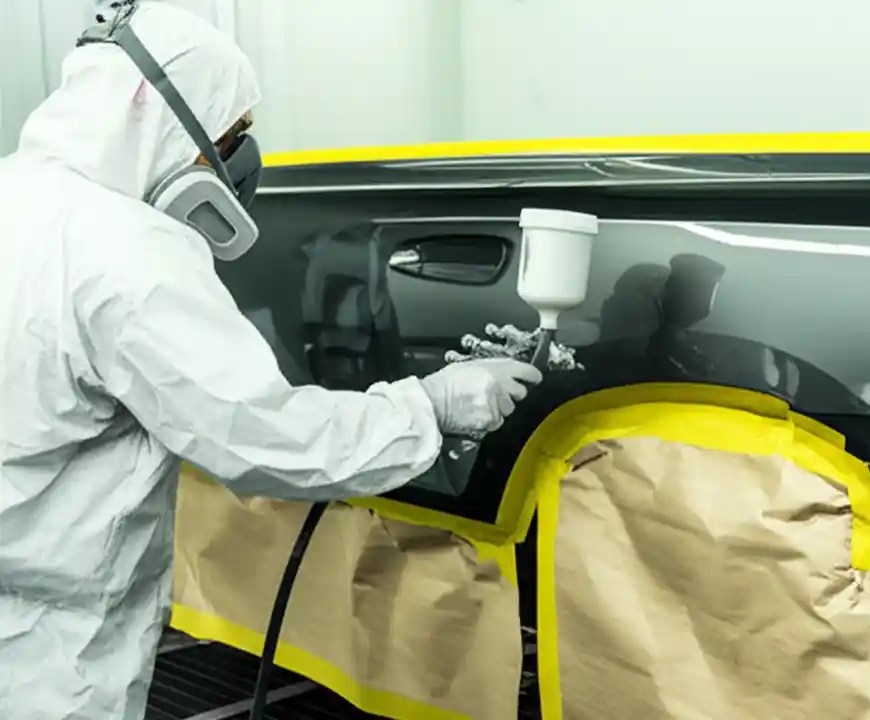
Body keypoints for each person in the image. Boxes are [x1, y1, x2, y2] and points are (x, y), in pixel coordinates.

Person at [0, 3, 540, 718]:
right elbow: (259, 435)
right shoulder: (126, 254)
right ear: (154, 115)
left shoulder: (18, 195)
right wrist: (428, 408)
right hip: (47, 648)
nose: (237, 164)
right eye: (229, 137)